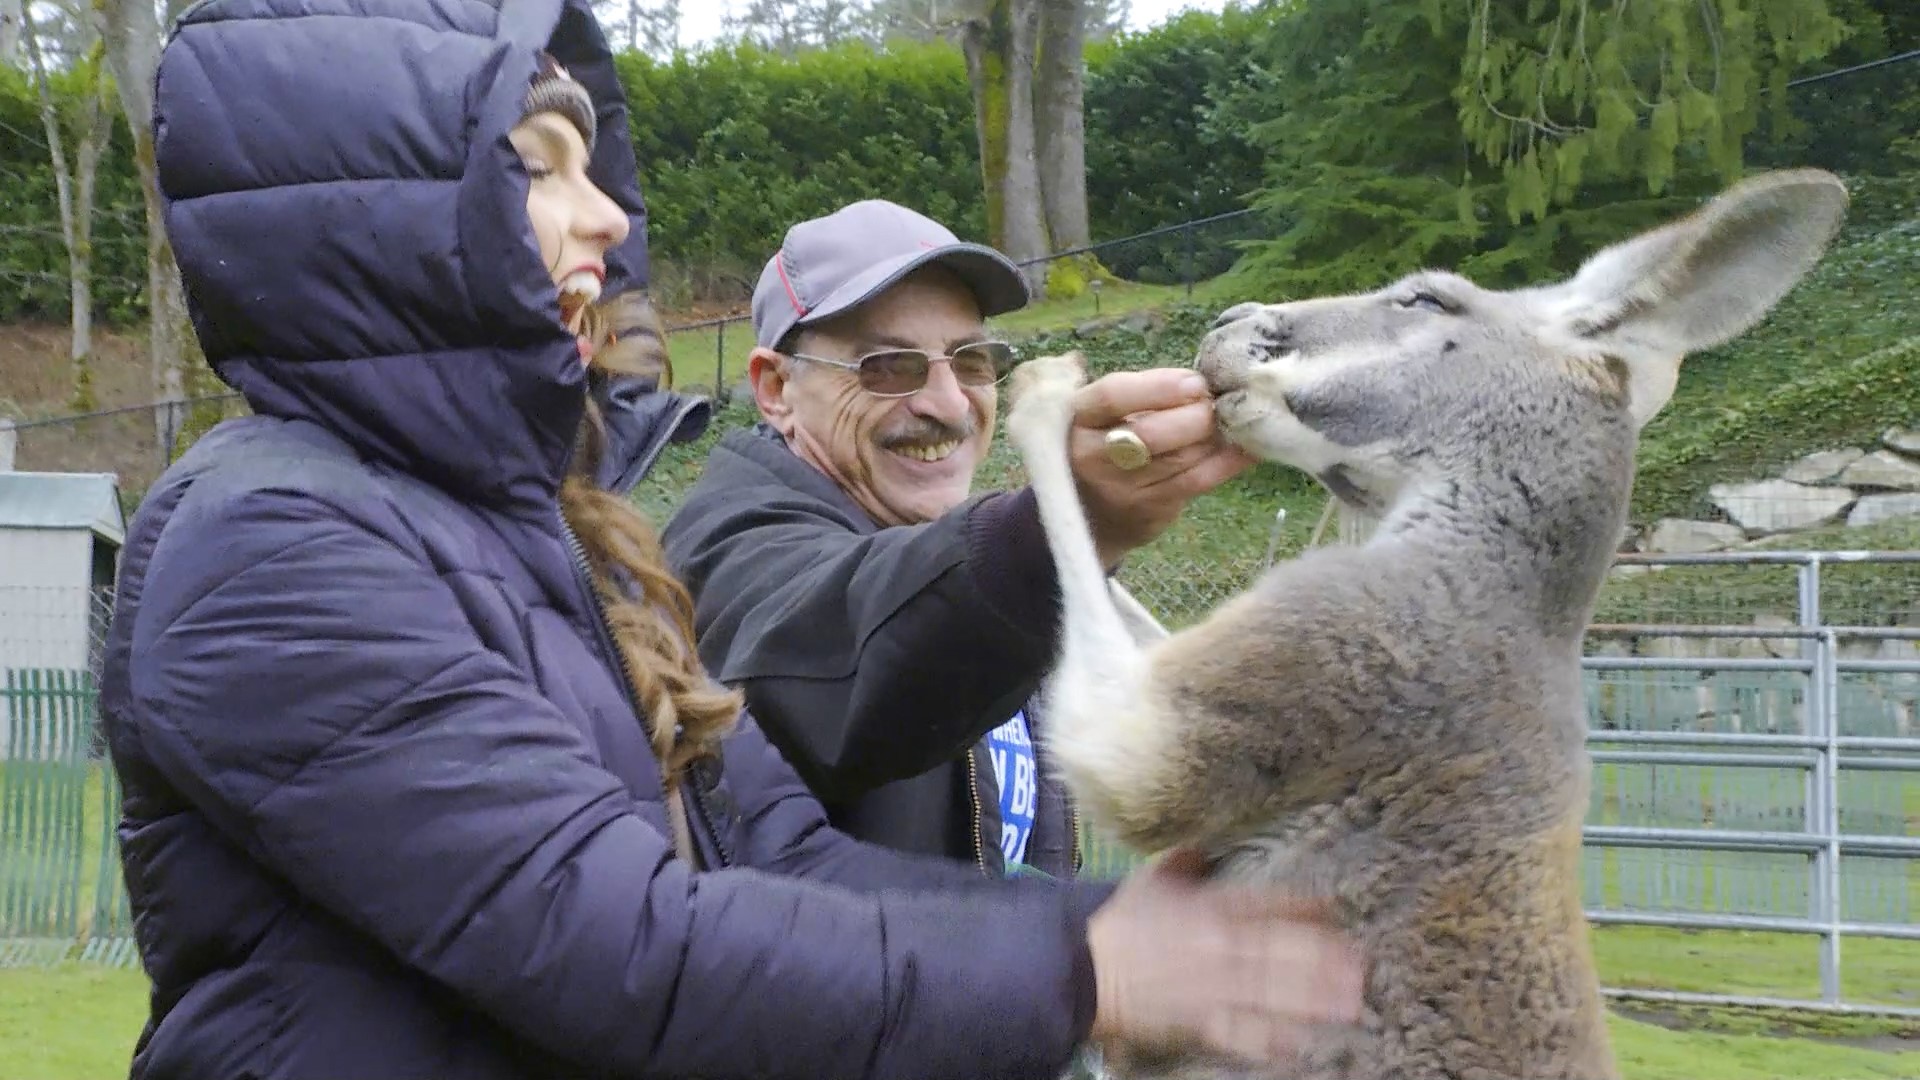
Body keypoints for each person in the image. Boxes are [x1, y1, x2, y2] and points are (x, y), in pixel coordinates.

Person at [96, 1, 1363, 1078]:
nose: (604, 220)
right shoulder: (268, 547)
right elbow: (617, 946)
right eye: (539, 167)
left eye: (971, 359)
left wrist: (1124, 926)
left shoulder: (571, 539)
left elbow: (787, 853)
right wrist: (1081, 968)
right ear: (382, 213)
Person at [661, 200, 1255, 876]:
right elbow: (843, 655)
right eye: (886, 366)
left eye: (971, 361)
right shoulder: (724, 551)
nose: (947, 404)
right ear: (775, 390)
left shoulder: (950, 553)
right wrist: (1064, 524)